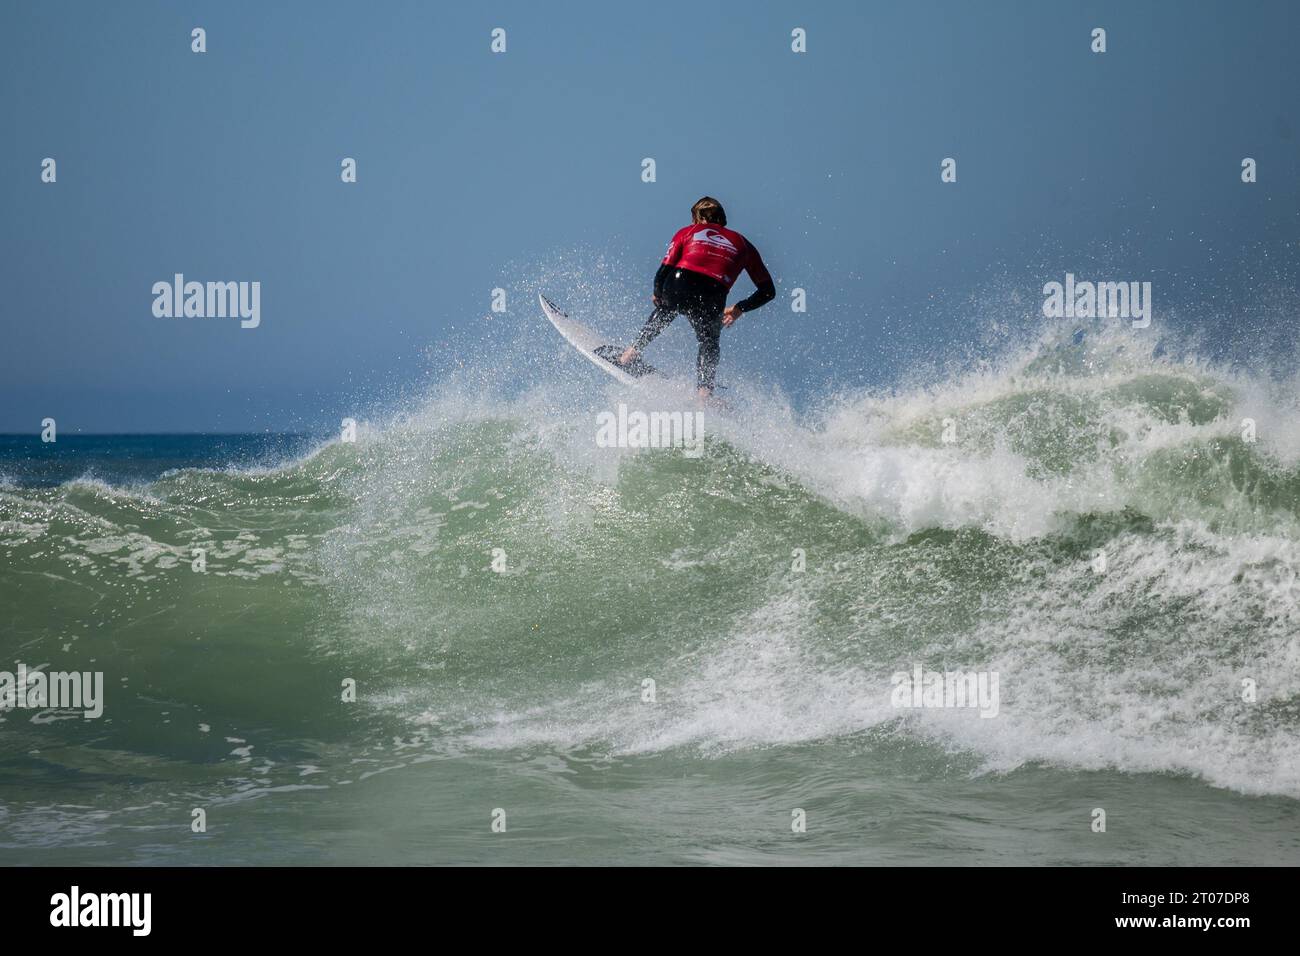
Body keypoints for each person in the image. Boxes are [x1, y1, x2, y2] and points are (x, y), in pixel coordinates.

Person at [618, 197, 775, 397]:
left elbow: (663, 271)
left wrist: (659, 294)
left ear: (698, 218)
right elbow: (768, 291)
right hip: (714, 294)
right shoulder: (745, 245)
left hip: (679, 282)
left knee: (666, 310)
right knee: (709, 341)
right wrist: (739, 309)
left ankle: (629, 355)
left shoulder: (687, 232)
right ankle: (704, 394)